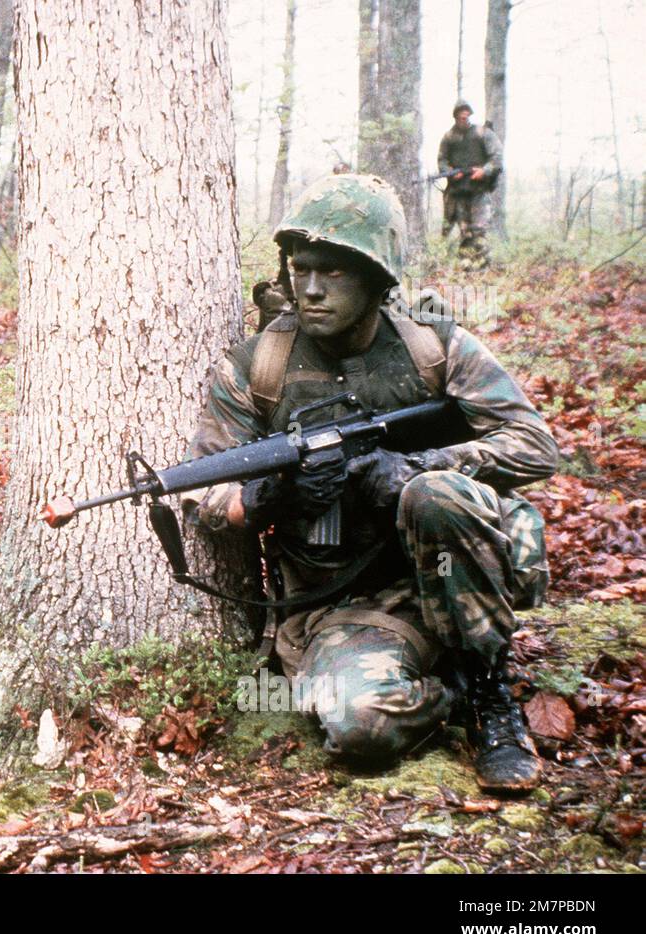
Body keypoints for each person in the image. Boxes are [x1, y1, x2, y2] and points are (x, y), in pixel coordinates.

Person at [186, 174, 558, 792]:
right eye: (301, 269)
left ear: (377, 278)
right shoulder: (260, 365)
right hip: (345, 604)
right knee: (360, 726)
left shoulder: (434, 348)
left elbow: (535, 446)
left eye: (333, 273)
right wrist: (267, 496)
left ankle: (492, 687)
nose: (310, 288)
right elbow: (203, 493)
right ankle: (455, 688)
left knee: (433, 494)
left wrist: (413, 468)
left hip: (448, 569)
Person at [436, 100, 503, 269]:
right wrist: (450, 171)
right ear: (456, 117)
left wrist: (484, 171)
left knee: (479, 231)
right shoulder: (449, 138)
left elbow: (496, 158)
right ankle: (466, 269)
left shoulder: (483, 133)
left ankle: (482, 267)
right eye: (460, 115)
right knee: (465, 232)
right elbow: (442, 160)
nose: (463, 118)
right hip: (459, 192)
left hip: (479, 191)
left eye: (466, 115)